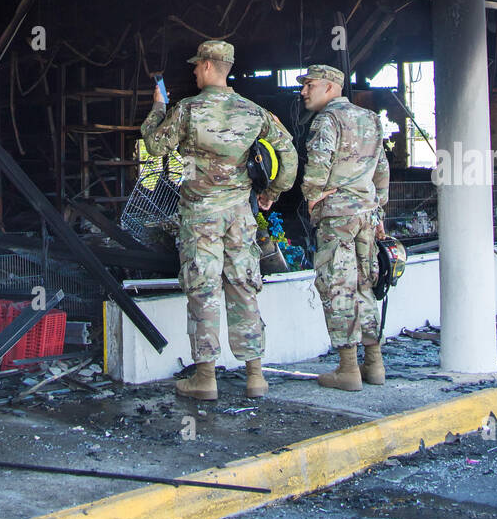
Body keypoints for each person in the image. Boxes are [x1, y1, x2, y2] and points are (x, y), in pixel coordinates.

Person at [140, 39, 298, 401]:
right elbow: (287, 154)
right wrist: (272, 192)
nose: (194, 71)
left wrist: (157, 108)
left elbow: (153, 146)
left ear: (210, 66)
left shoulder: (187, 111)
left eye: (197, 66)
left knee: (204, 289)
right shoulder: (254, 112)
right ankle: (255, 376)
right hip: (240, 217)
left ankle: (205, 378)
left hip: (200, 218)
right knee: (244, 285)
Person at [297, 64, 389, 391]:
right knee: (366, 283)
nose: (304, 91)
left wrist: (312, 197)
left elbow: (317, 165)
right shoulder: (372, 119)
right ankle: (374, 363)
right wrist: (378, 210)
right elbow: (382, 170)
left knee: (338, 285)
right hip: (366, 213)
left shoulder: (327, 120)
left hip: (337, 217)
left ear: (332, 87)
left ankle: (348, 368)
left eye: (310, 84)